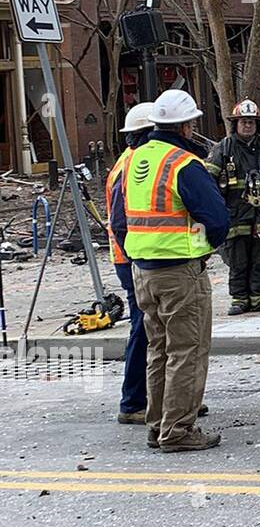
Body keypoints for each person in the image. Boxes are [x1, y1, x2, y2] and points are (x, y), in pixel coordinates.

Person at [111, 89, 228, 452]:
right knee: (187, 351)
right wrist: (204, 247)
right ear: (186, 126)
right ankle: (178, 430)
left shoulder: (131, 161)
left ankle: (157, 424)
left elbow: (119, 221)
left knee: (158, 351)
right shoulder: (182, 164)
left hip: (141, 271)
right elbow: (218, 219)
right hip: (180, 272)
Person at [206, 100, 260, 314]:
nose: (248, 126)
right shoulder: (223, 148)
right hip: (235, 214)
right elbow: (208, 181)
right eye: (244, 122)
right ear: (236, 124)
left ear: (257, 125)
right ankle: (240, 299)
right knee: (238, 259)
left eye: (251, 122)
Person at [107, 102, 154, 426]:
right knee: (143, 327)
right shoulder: (130, 166)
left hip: (132, 256)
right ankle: (134, 401)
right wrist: (137, 257)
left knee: (150, 327)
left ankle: (159, 397)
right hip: (132, 258)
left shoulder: (129, 161)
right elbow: (120, 222)